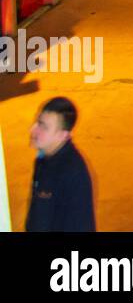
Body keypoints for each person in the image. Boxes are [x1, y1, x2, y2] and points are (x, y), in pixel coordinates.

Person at [27, 97, 95, 232]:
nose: (32, 129)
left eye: (43, 126)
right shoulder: (44, 158)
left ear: (63, 135)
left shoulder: (72, 172)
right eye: (36, 122)